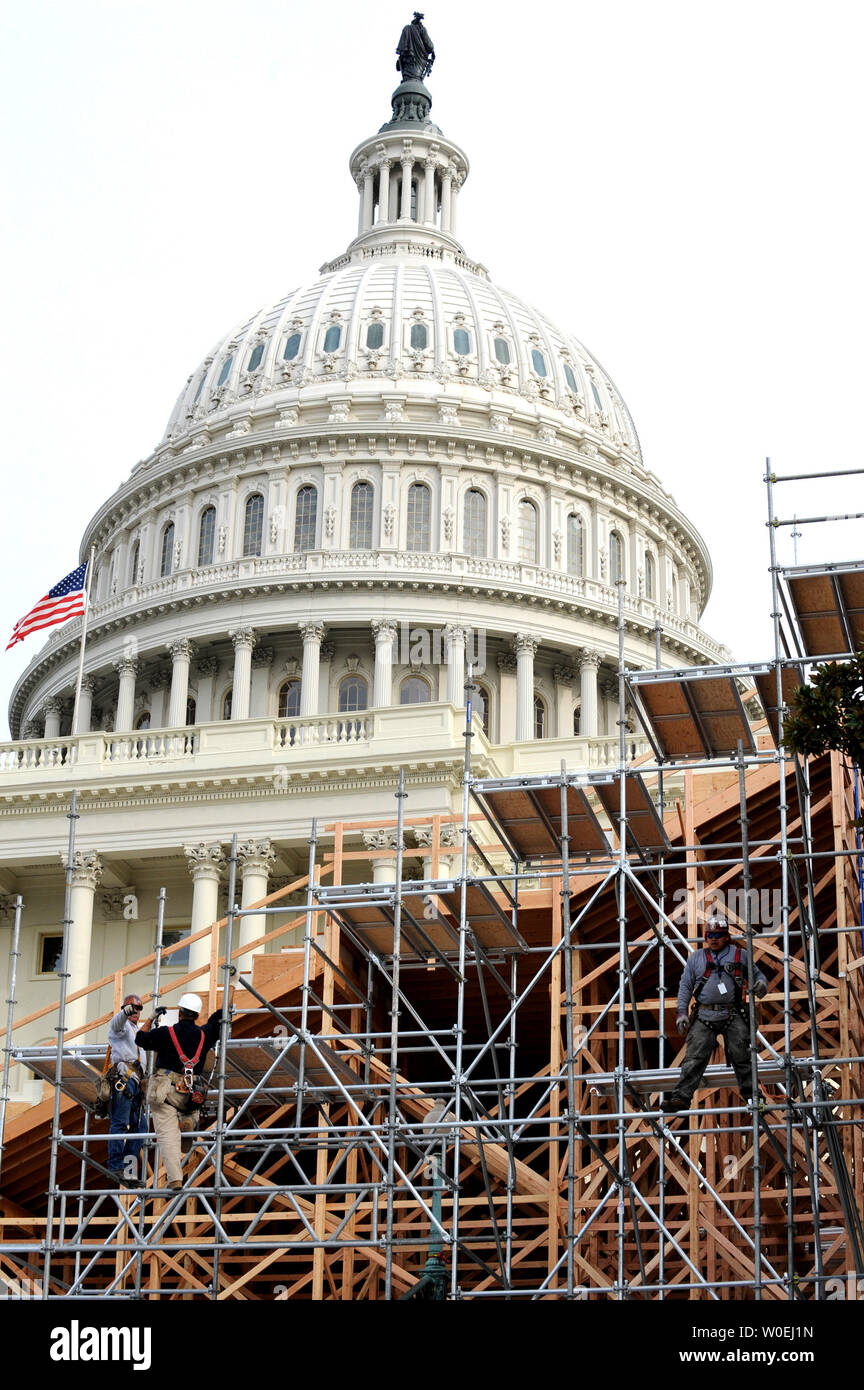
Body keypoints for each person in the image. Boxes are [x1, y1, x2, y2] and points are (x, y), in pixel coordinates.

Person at [660, 915, 768, 1113]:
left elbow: (758, 976)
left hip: (733, 1013)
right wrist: (682, 1013)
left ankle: (754, 1098)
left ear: (726, 936)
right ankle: (681, 1098)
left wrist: (761, 985)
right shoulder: (696, 958)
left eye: (718, 935)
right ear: (705, 936)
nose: (714, 939)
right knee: (694, 1058)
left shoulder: (739, 955)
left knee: (741, 1056)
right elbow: (685, 986)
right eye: (710, 935)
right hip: (704, 1015)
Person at [136, 986, 234, 1190]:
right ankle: (190, 1120)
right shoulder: (204, 1035)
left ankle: (175, 1179)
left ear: (179, 1013)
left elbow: (140, 1039)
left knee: (167, 1135)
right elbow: (222, 1014)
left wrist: (151, 1019)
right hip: (190, 1091)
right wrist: (231, 985)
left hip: (165, 1090)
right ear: (197, 1015)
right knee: (190, 1108)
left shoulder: (166, 1033)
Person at [105, 993, 146, 1185]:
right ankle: (115, 1166)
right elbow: (116, 1022)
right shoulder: (120, 1028)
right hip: (124, 1079)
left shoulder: (135, 1030)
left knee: (140, 1127)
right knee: (120, 1123)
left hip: (136, 1083)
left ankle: (129, 1171)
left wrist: (152, 1019)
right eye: (133, 1008)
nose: (136, 1011)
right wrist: (124, 1011)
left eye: (139, 1008)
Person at [396, 12, 435, 81]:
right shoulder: (422, 29)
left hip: (406, 67)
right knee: (416, 80)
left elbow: (401, 50)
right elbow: (430, 47)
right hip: (419, 65)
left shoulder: (406, 29)